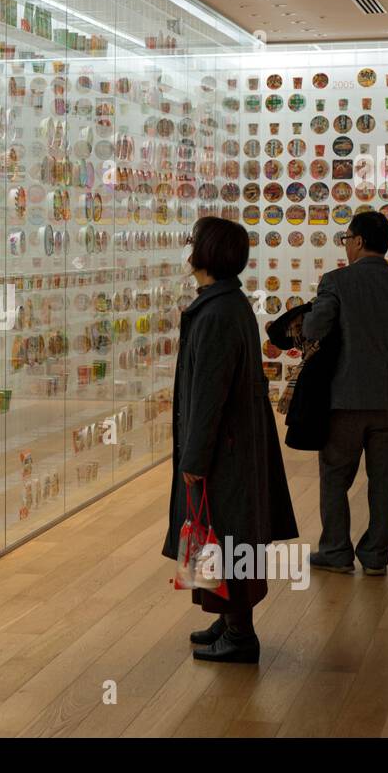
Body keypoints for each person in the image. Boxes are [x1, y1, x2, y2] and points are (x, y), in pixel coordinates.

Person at [163, 216, 297, 664]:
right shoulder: (224, 304)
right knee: (217, 534)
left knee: (226, 534)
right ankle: (226, 618)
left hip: (224, 451)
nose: (188, 249)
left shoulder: (217, 312)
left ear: (206, 253)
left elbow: (208, 396)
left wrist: (195, 457)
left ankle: (241, 632)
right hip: (232, 445)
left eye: (193, 242)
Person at [302, 211, 388, 576]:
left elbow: (315, 328)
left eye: (346, 239)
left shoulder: (336, 282)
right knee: (385, 479)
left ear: (357, 241)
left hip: (343, 399)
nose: (345, 246)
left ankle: (335, 551)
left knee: (335, 476)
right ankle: (375, 555)